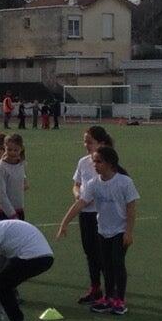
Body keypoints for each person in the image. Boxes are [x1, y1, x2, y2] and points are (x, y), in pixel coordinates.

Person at [58, 143, 139, 315]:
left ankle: (119, 300)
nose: (95, 165)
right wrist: (64, 223)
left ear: (110, 163)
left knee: (117, 263)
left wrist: (129, 232)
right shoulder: (93, 183)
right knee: (106, 265)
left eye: (99, 162)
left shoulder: (124, 182)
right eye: (94, 162)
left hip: (120, 231)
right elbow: (80, 203)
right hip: (103, 230)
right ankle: (108, 297)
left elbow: (131, 208)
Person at [67, 125, 115, 304]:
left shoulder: (108, 163)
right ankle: (95, 288)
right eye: (85, 141)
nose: (86, 144)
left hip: (102, 214)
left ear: (101, 143)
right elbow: (76, 184)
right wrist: (77, 194)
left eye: (90, 142)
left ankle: (112, 290)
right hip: (85, 212)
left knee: (103, 253)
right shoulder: (83, 162)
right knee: (90, 251)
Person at [0, 133, 28, 221]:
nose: (12, 153)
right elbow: (1, 196)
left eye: (16, 150)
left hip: (18, 209)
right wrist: (13, 215)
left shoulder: (20, 164)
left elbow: (22, 183)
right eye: (9, 149)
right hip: (3, 212)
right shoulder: (0, 168)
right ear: (5, 148)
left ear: (21, 149)